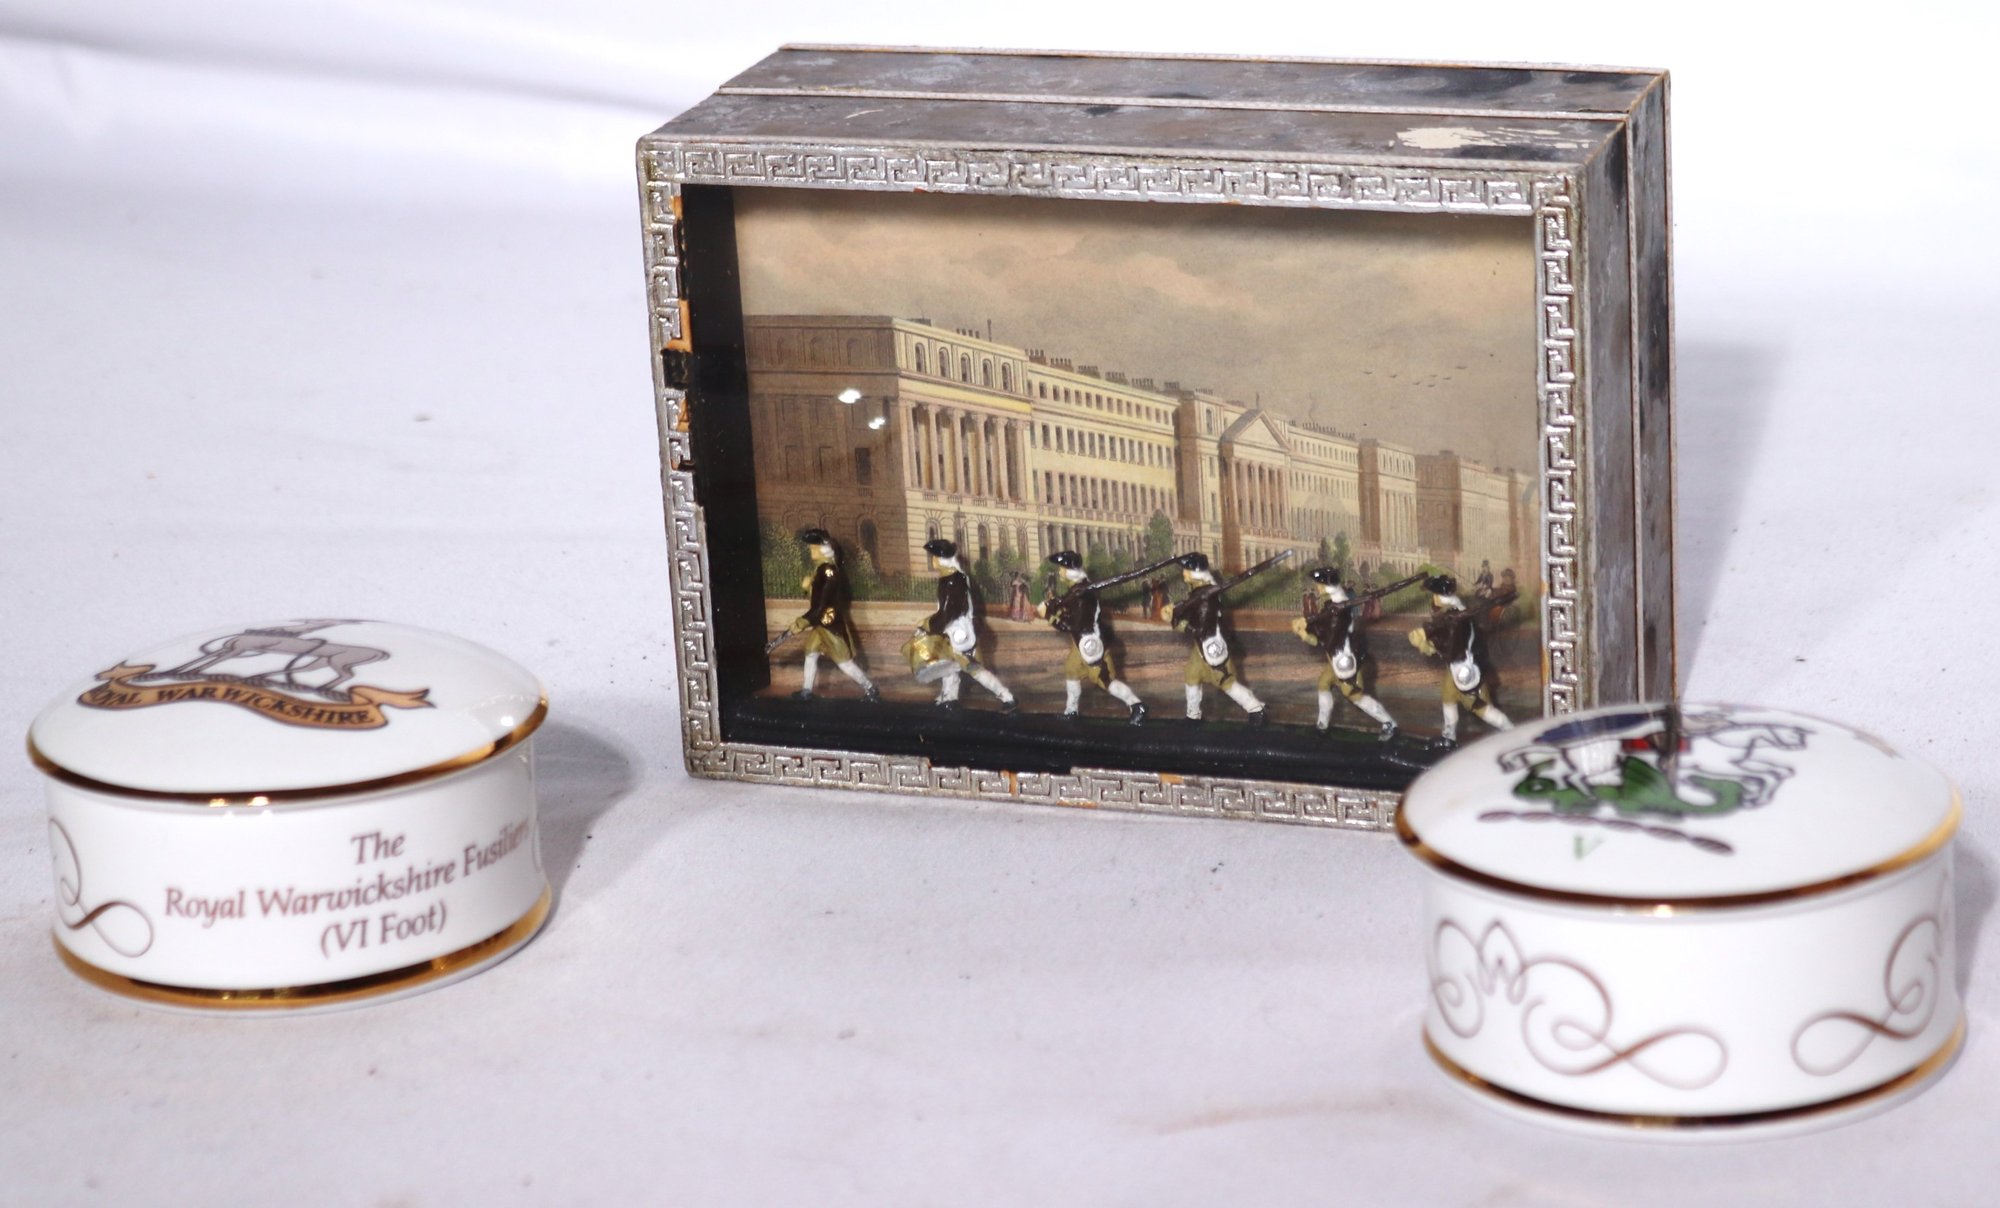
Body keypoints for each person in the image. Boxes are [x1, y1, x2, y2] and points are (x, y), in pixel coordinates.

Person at [1163, 551, 1283, 725]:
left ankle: (1256, 709)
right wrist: (1175, 613)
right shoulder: (1201, 593)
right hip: (1202, 646)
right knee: (1191, 674)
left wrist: (1175, 621)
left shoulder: (1203, 597)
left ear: (1194, 573)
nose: (1183, 574)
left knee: (1224, 681)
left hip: (1210, 642)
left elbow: (1198, 627)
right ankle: (1193, 715)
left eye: (1186, 570)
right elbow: (1187, 609)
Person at [902, 538, 1017, 712]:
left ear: (941, 560)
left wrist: (927, 623)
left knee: (973, 668)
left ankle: (1007, 697)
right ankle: (949, 697)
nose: (932, 560)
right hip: (952, 629)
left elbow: (948, 612)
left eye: (934, 557)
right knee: (948, 663)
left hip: (960, 632)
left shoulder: (953, 582)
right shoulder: (950, 578)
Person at [1037, 550, 1146, 725]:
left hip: (1092, 644)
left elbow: (1072, 626)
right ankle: (1071, 711)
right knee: (1072, 670)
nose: (1059, 572)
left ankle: (1136, 705)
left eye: (1062, 569)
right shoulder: (1077, 590)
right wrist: (1056, 604)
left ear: (1070, 571)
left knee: (1104, 679)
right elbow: (1067, 606)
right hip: (1080, 643)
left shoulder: (1082, 596)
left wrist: (1049, 616)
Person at [1291, 567, 1397, 740]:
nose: (1317, 587)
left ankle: (1389, 723)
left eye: (1319, 584)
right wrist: (1307, 624)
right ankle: (1322, 726)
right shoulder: (1333, 605)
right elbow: (1321, 621)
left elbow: (1327, 635)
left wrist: (1306, 632)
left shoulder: (1339, 610)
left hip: (1344, 658)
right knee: (1324, 683)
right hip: (1335, 658)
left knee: (1353, 694)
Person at [1407, 573, 1514, 744]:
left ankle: (1511, 731)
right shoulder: (1452, 615)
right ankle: (1449, 736)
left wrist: (1424, 634)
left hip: (1465, 667)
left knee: (1479, 707)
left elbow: (1445, 638)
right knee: (1448, 697)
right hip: (1455, 665)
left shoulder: (1454, 619)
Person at [780, 529, 878, 703]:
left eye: (813, 548)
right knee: (810, 653)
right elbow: (817, 597)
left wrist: (801, 622)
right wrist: (807, 587)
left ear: (822, 550)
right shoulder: (820, 570)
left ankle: (870, 688)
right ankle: (806, 691)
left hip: (829, 623)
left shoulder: (828, 571)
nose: (811, 551)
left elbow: (821, 604)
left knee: (843, 662)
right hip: (820, 623)